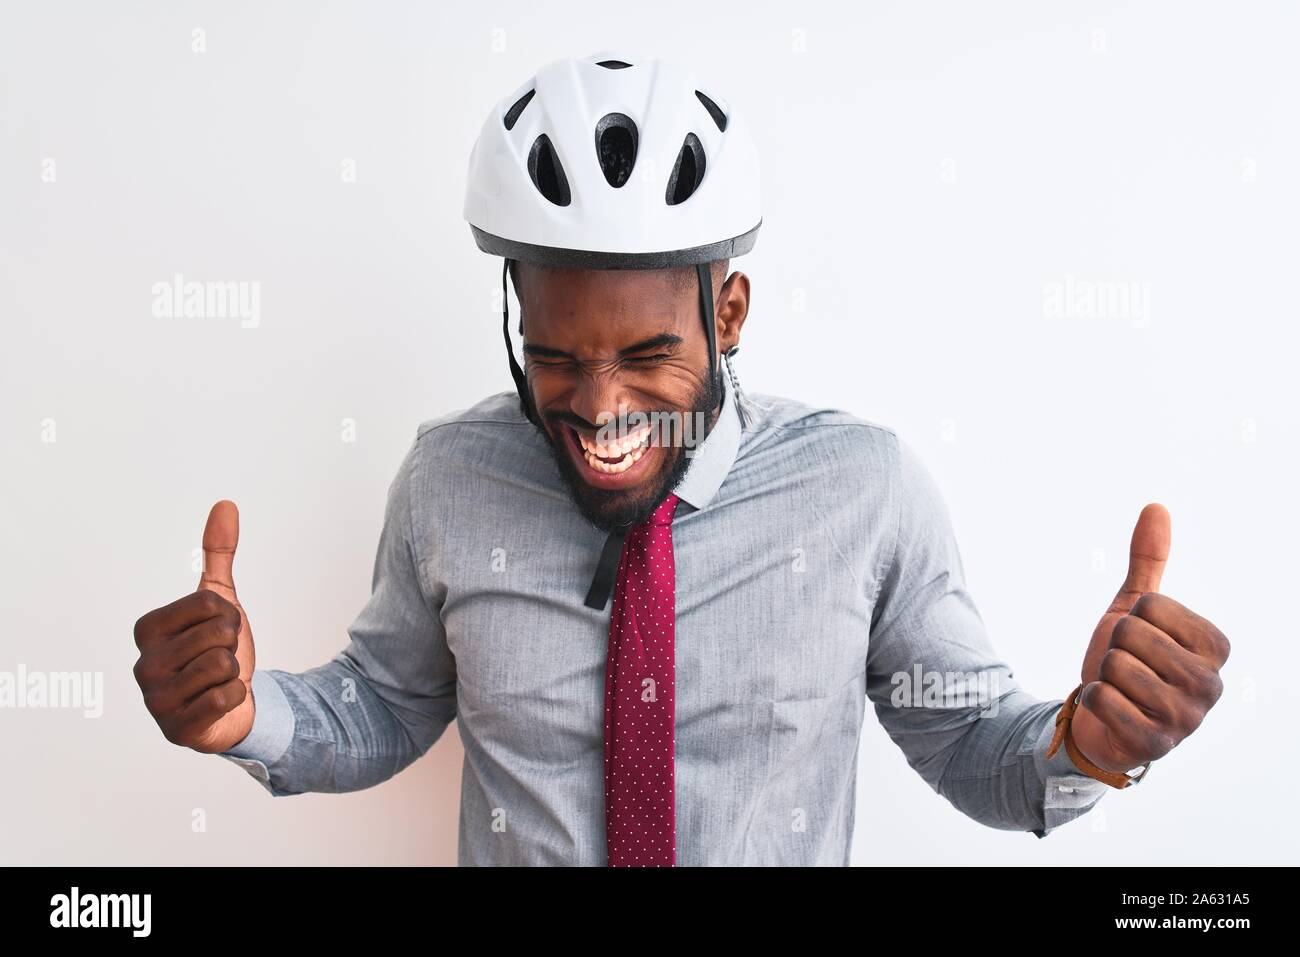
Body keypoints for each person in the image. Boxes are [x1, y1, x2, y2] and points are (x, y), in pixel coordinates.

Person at [131, 52, 1230, 866]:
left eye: (649, 354)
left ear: (731, 311)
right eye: (554, 355)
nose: (600, 409)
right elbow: (381, 705)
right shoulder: (448, 483)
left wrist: (1085, 744)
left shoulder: (864, 494)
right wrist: (242, 717)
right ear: (515, 314)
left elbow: (975, 751)